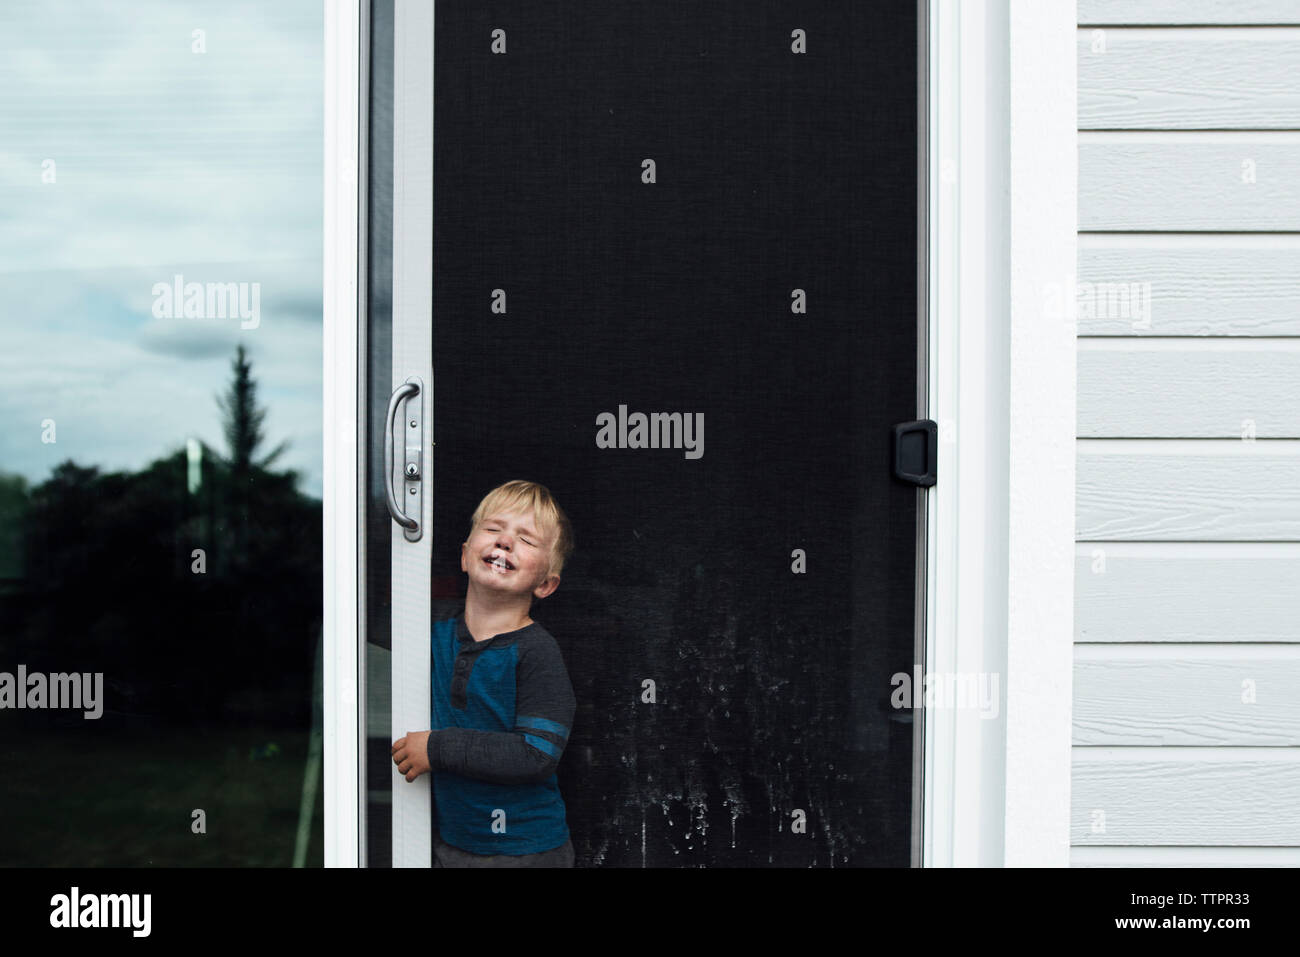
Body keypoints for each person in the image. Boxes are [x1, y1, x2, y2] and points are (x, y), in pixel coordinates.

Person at [391, 479, 578, 867]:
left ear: (545, 583)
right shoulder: (431, 635)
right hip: (452, 843)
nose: (504, 542)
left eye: (526, 540)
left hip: (525, 852)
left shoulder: (537, 651)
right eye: (493, 529)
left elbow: (536, 753)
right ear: (464, 556)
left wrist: (436, 748)